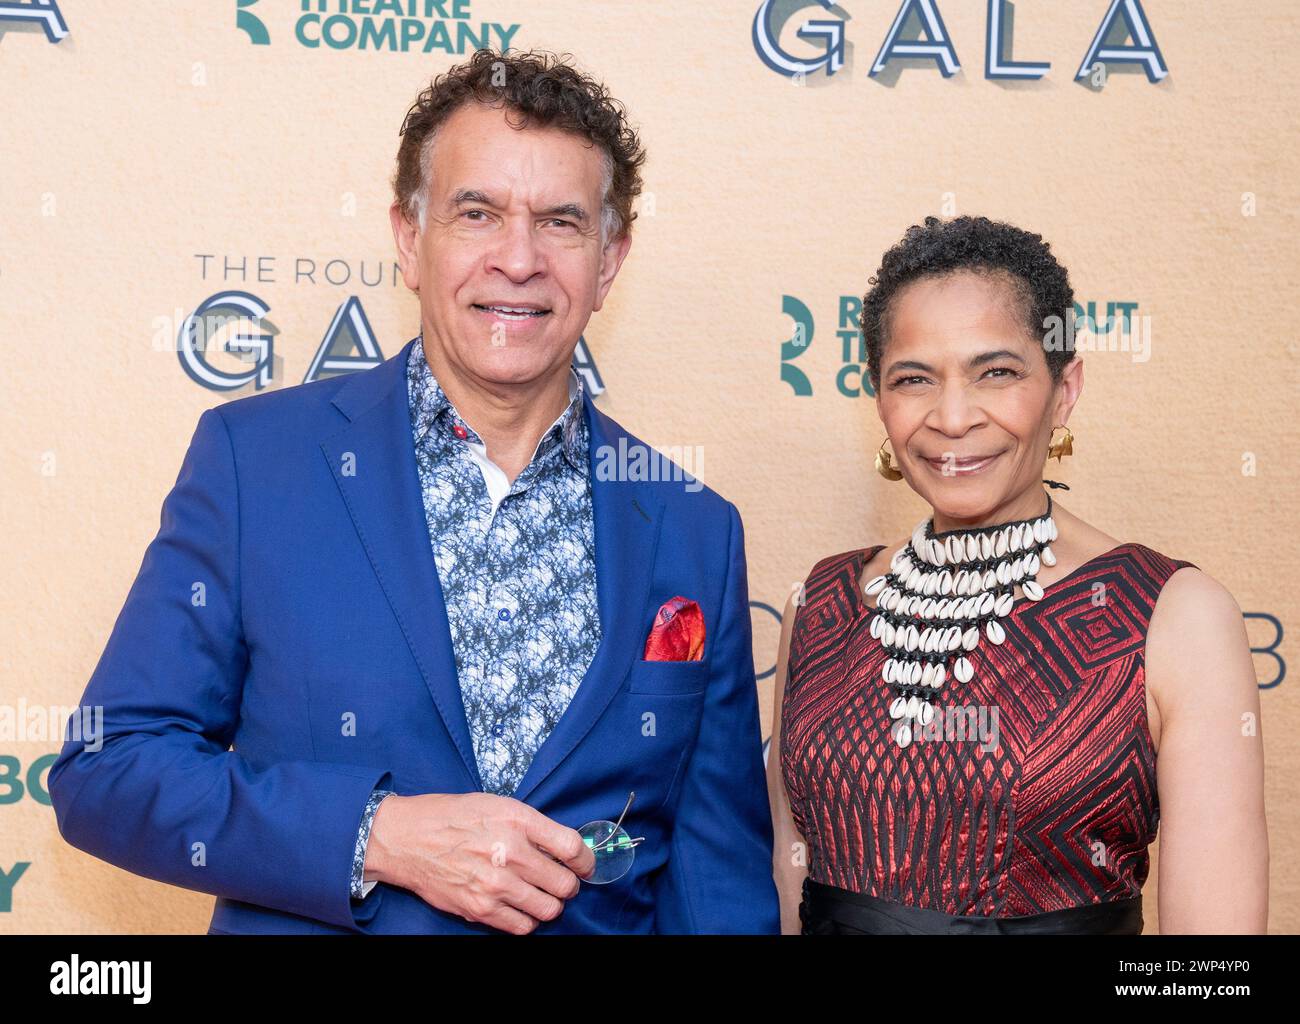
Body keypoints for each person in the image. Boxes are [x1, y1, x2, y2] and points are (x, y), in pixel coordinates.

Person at [49, 48, 778, 935]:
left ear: (610, 257)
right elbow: (109, 766)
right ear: (408, 238)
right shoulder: (259, 463)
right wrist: (375, 835)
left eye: (561, 222)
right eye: (478, 214)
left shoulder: (693, 528)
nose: (519, 260)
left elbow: (717, 882)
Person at [766, 215, 1268, 934]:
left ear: (1064, 389)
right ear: (877, 397)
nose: (952, 417)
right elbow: (789, 883)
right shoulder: (821, 604)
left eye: (995, 372)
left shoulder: (1173, 616)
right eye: (914, 379)